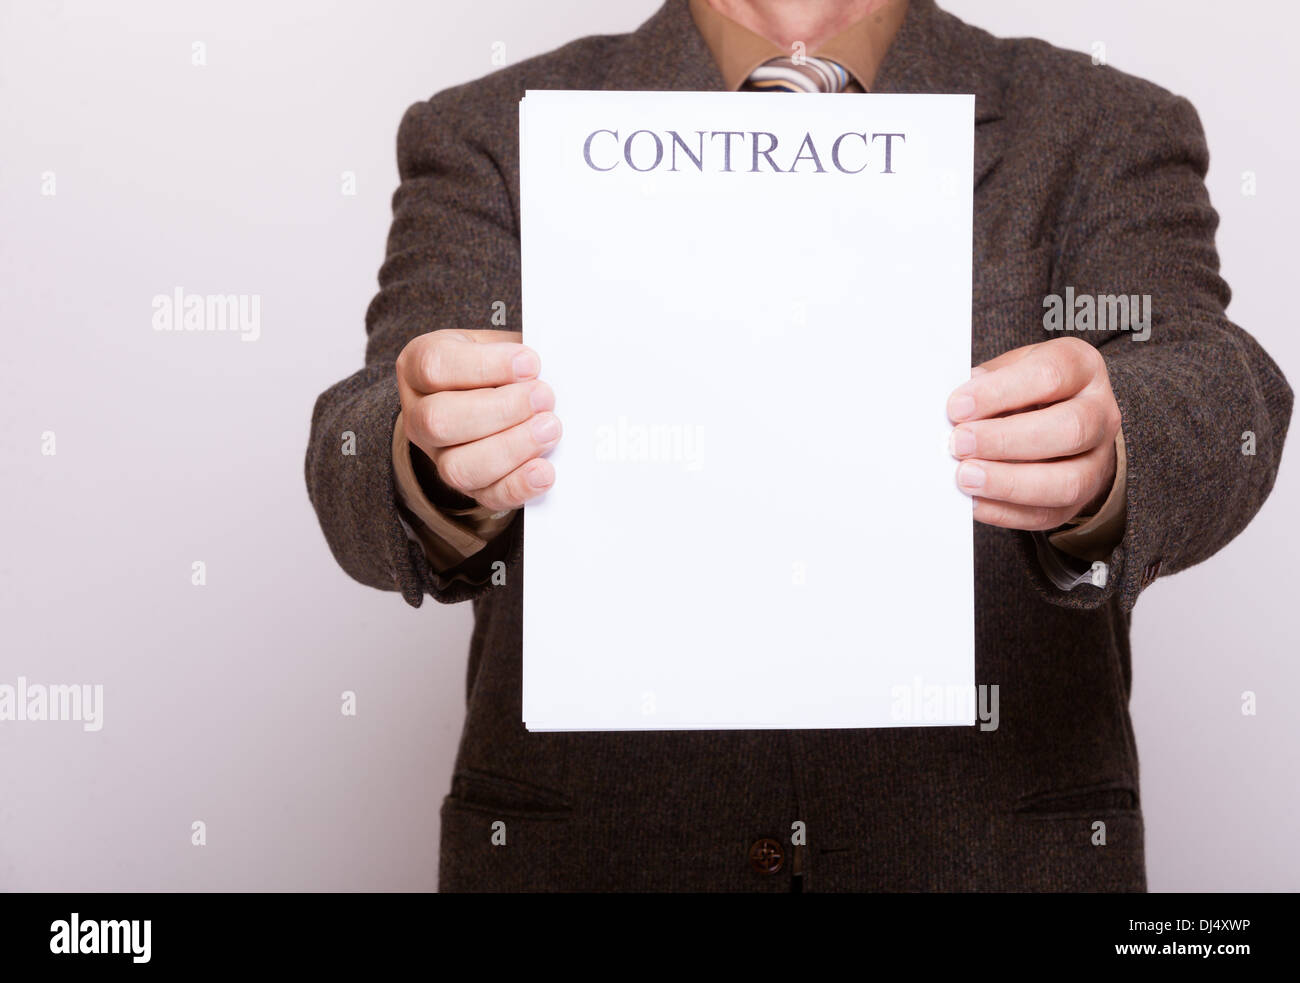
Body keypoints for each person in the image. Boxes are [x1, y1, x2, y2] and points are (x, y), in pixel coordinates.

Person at [305, 0, 1293, 891]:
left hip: (987, 857)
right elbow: (358, 432)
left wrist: (1112, 437)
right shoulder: (494, 127)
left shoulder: (1096, 123)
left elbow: (1215, 380)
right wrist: (424, 449)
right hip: (598, 854)